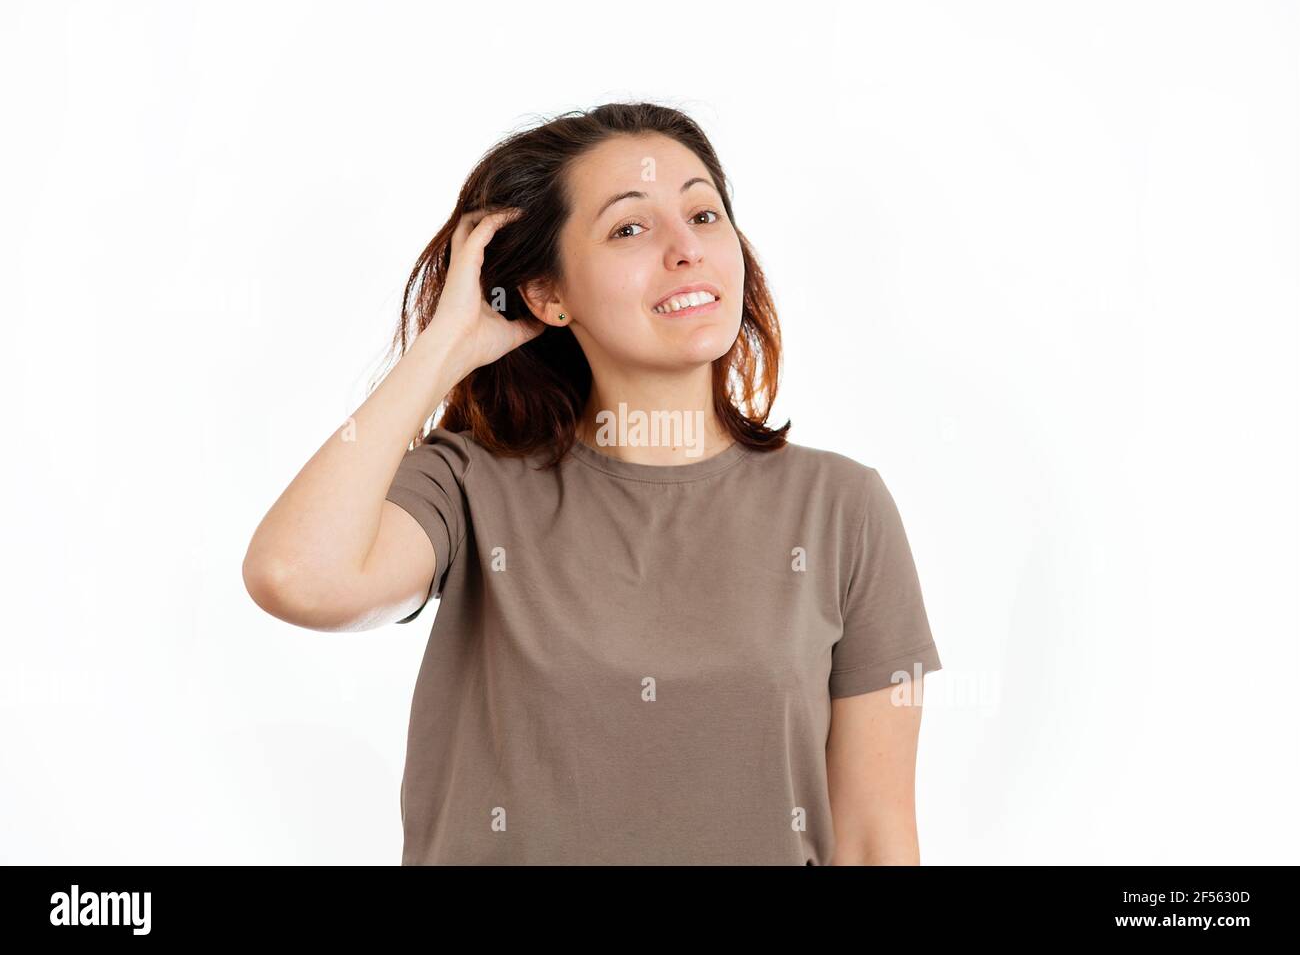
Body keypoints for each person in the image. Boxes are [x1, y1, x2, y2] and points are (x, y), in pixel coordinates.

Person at [242, 102, 943, 865]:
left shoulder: (843, 509)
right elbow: (297, 576)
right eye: (630, 229)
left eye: (705, 215)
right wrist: (443, 349)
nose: (686, 250)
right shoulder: (469, 486)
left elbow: (876, 840)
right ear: (548, 295)